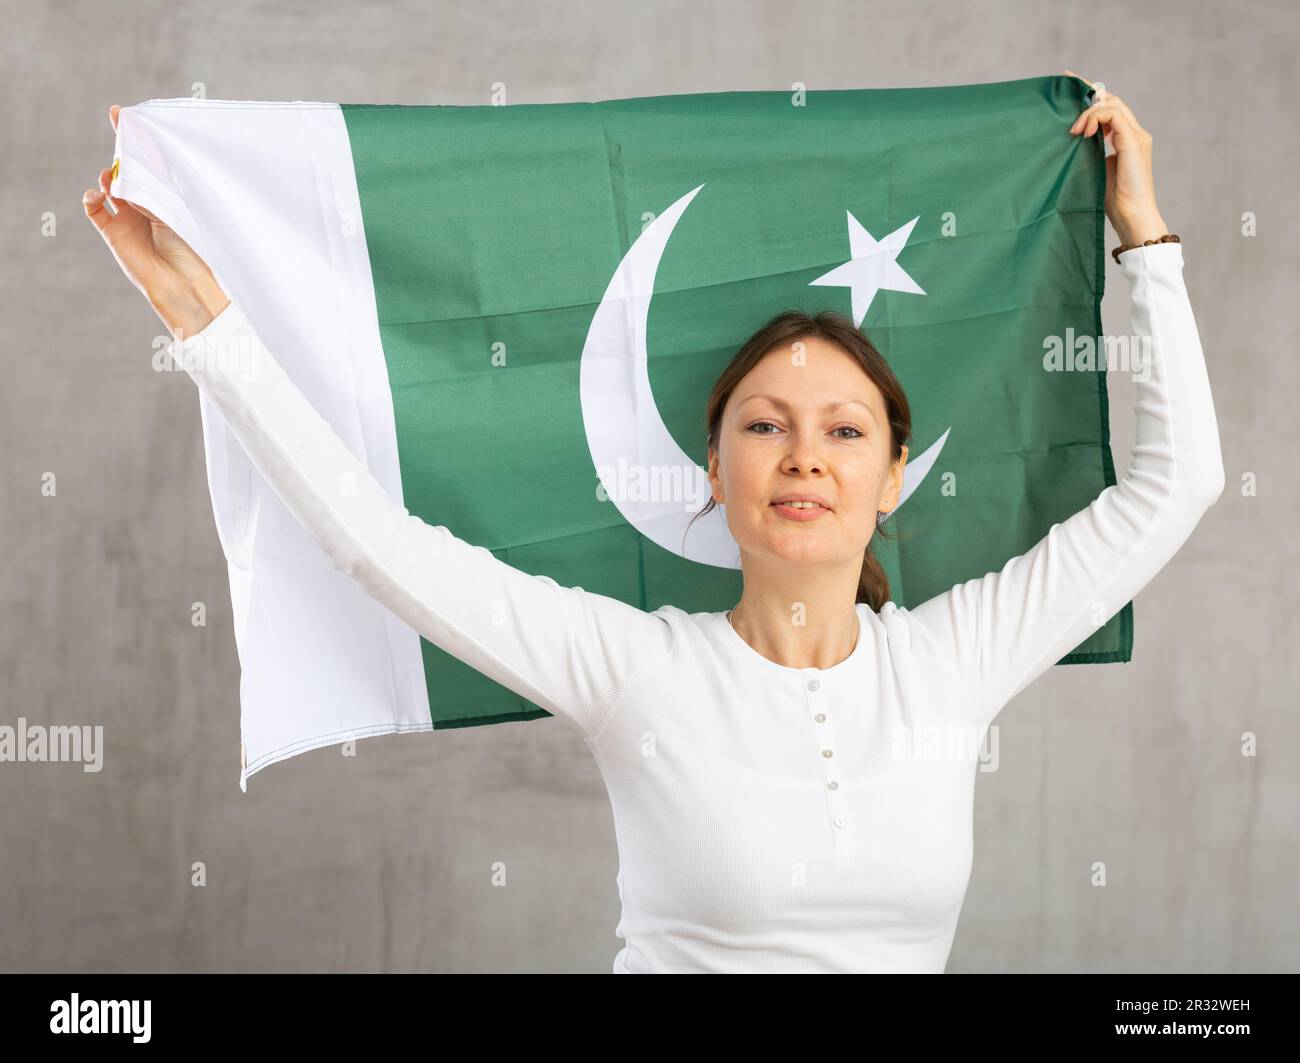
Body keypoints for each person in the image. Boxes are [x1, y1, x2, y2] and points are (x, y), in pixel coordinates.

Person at [83, 73, 1225, 973]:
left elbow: (1177, 486)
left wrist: (1145, 240)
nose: (804, 458)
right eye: (766, 427)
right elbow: (372, 542)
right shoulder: (636, 669)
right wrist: (211, 325)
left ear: (891, 477)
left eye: (843, 432)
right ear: (713, 473)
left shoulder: (952, 662)